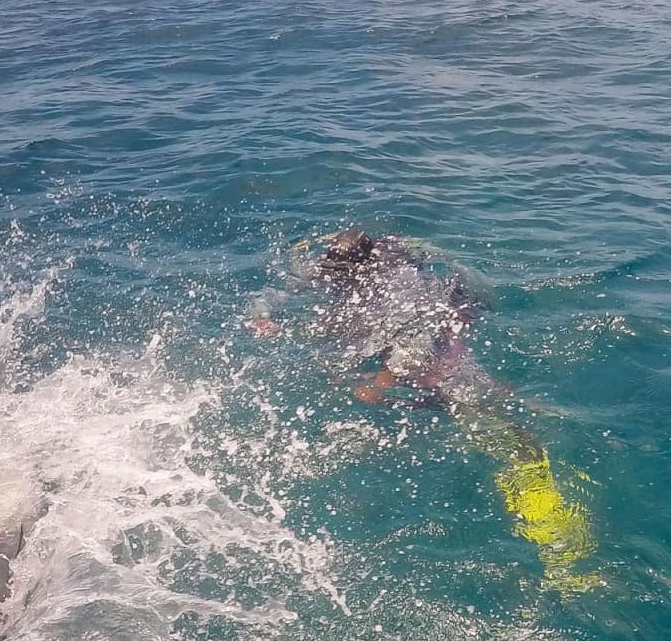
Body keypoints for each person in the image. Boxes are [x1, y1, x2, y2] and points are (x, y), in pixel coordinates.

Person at [250, 228, 601, 593]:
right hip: (440, 351)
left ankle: (554, 532)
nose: (329, 276)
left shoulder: (388, 282)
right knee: (495, 417)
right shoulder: (359, 262)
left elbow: (416, 340)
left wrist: (379, 384)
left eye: (338, 272)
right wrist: (261, 315)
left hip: (436, 364)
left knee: (494, 426)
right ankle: (545, 504)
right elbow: (276, 292)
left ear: (361, 267)